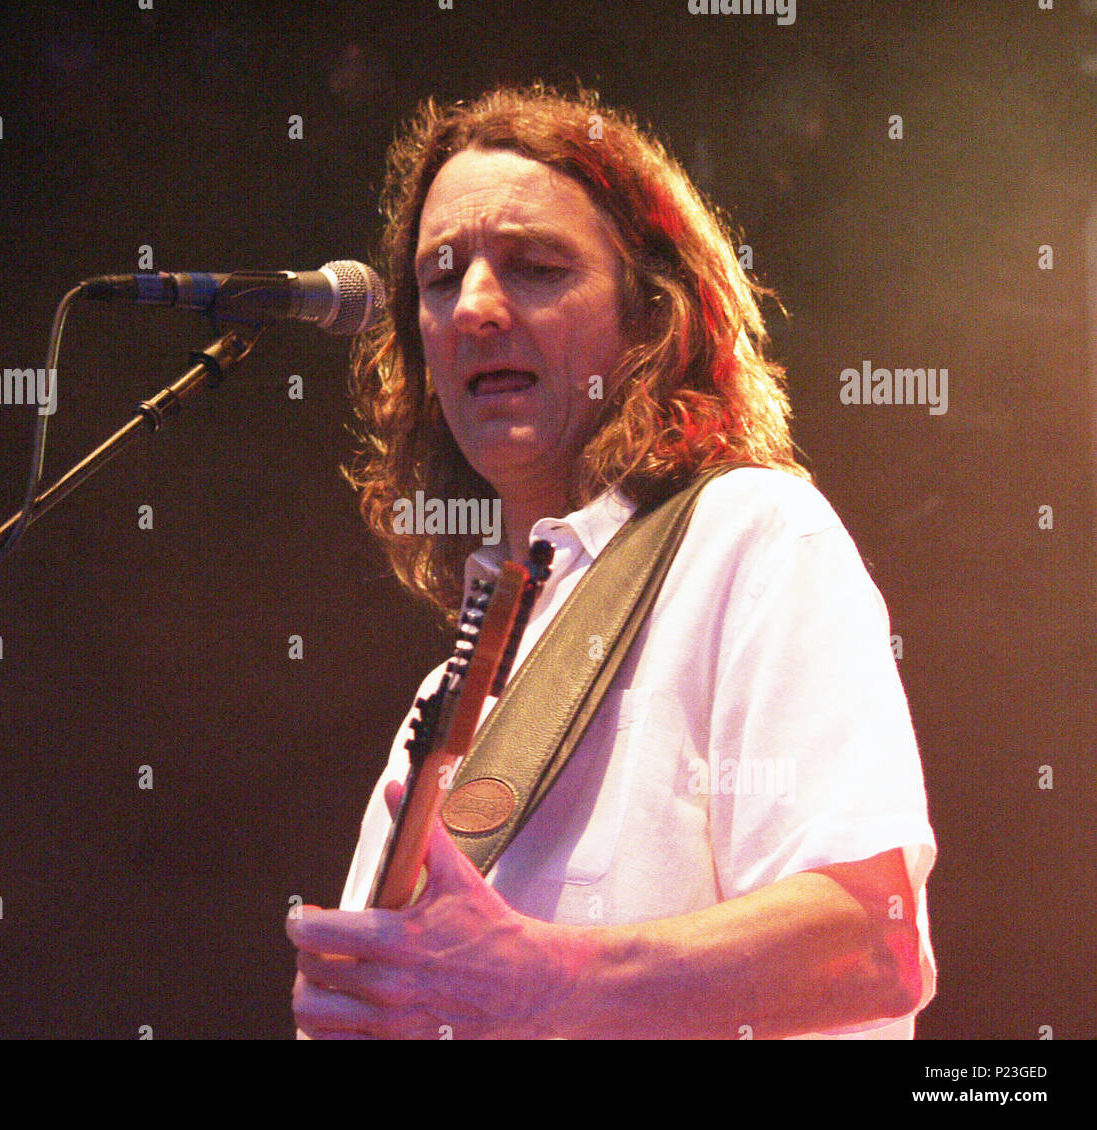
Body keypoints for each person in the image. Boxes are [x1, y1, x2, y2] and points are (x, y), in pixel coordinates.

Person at [286, 84, 936, 1039]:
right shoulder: (444, 703)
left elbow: (873, 942)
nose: (473, 307)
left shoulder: (751, 537)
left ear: (654, 313)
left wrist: (542, 982)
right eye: (438, 276)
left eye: (535, 266)